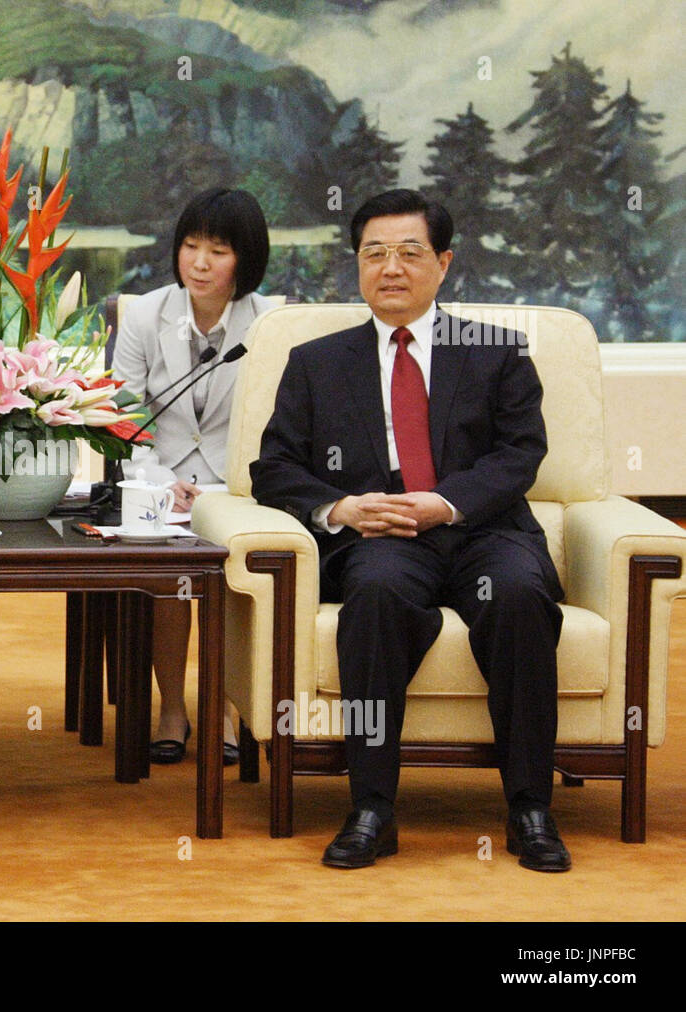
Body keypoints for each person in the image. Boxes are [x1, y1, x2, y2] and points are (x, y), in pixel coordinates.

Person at [251, 189, 569, 872]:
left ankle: (530, 809)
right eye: (374, 253)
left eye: (409, 253)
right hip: (382, 538)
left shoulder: (495, 352)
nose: (390, 268)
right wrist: (343, 509)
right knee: (374, 598)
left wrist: (444, 503)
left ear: (444, 263)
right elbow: (273, 468)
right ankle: (371, 808)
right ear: (357, 266)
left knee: (517, 596)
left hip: (483, 531)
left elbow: (521, 454)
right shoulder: (317, 362)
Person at [112, 188, 273, 765]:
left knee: (233, 575)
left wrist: (230, 489)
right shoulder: (145, 314)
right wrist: (157, 479)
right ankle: (172, 708)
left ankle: (229, 708)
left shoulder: (273, 322)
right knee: (170, 575)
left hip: (242, 488)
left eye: (218, 250)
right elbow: (122, 414)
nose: (199, 263)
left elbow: (279, 426)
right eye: (190, 246)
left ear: (246, 258)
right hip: (163, 484)